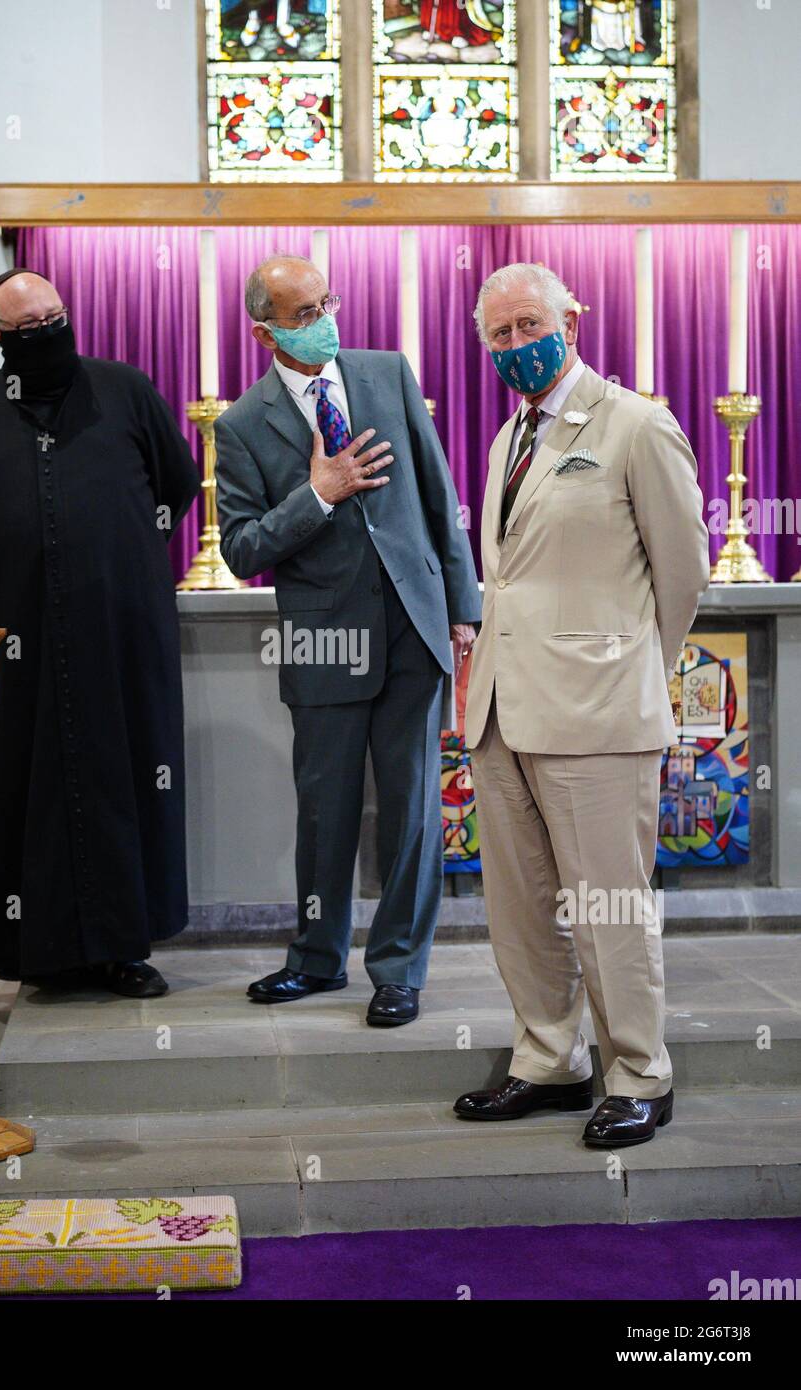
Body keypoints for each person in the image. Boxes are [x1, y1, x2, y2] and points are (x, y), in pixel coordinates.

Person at [455, 262, 710, 1146]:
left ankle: (639, 1071)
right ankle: (547, 1061)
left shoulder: (638, 425)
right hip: (501, 713)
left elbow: (682, 576)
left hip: (597, 716)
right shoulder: (505, 440)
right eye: (499, 334)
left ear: (573, 317)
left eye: (530, 325)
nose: (517, 345)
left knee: (609, 909)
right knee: (522, 909)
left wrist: (625, 673)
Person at [0, 269, 200, 997]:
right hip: (20, 640)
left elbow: (179, 480)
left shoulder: (124, 390)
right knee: (31, 786)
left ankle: (123, 948)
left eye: (54, 319)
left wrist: (120, 547)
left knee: (124, 778)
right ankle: (40, 953)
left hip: (122, 631)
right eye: (28, 329)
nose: (46, 335)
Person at [215, 255, 480, 1026]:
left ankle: (398, 968)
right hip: (323, 640)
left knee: (411, 810)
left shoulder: (386, 373)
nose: (324, 319)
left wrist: (462, 609)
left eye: (326, 302)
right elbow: (240, 549)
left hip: (412, 625)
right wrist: (317, 495)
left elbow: (439, 493)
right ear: (263, 329)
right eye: (303, 313)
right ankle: (317, 958)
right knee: (324, 811)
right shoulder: (241, 425)